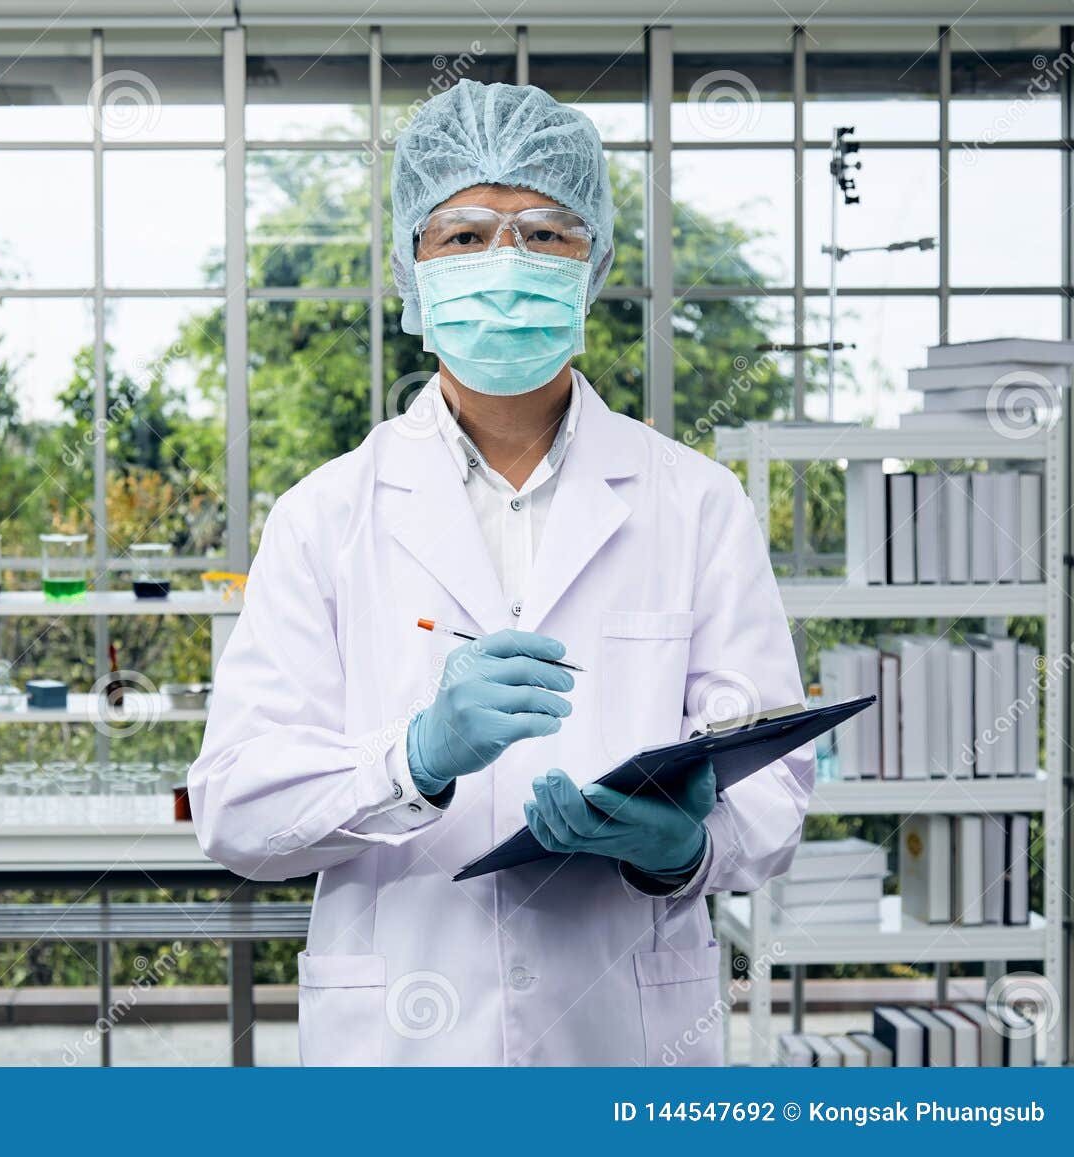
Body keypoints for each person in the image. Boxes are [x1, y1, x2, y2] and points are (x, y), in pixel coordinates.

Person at [189, 80, 810, 1066]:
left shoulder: (694, 504)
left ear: (594, 262)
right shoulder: (326, 514)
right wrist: (415, 757)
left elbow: (772, 791)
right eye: (465, 235)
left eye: (545, 235)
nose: (505, 262)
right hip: (404, 1047)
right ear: (411, 263)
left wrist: (680, 847)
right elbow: (236, 808)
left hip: (626, 1036)